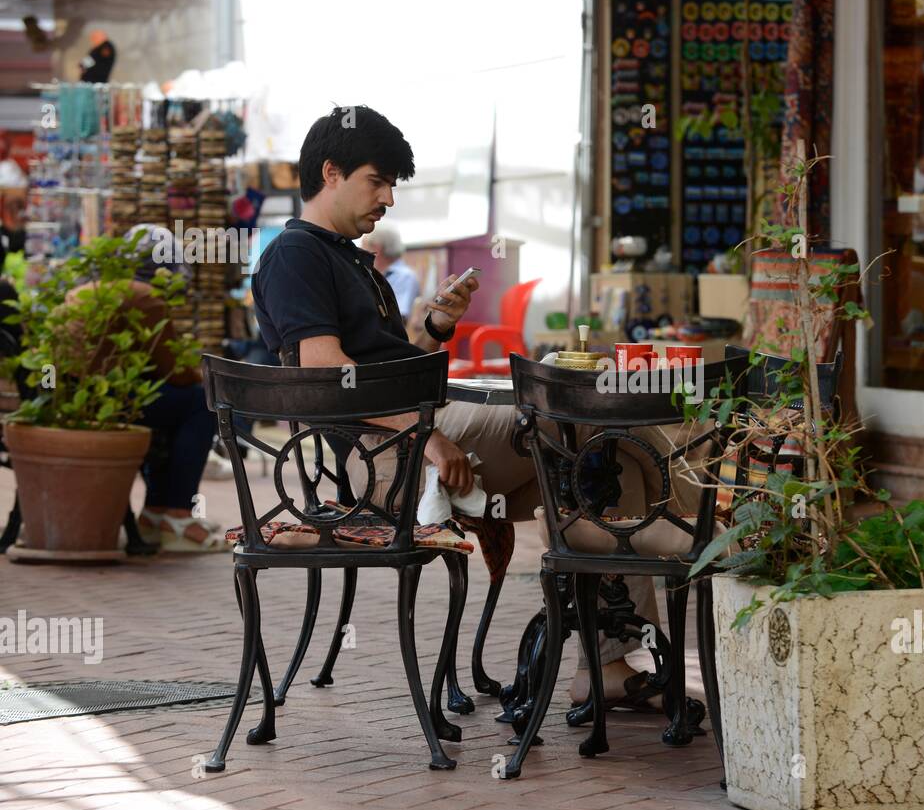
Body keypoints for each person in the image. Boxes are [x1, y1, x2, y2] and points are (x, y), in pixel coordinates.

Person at [251, 106, 665, 708]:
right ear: (331, 171)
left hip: (413, 435)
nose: (389, 198)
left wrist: (435, 324)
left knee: (604, 463)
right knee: (585, 433)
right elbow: (325, 376)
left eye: (393, 184)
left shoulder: (345, 256)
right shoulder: (296, 255)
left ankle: (605, 662)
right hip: (387, 459)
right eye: (378, 180)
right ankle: (616, 646)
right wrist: (428, 435)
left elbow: (387, 370)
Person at [76, 224, 228, 551]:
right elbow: (172, 370)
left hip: (82, 401)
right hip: (113, 403)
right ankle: (176, 516)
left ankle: (156, 514)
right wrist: (206, 380)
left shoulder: (89, 287)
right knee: (203, 403)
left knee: (171, 406)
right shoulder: (143, 296)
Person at [360, 223, 419, 319]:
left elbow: (401, 315)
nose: (360, 251)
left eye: (363, 246)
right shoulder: (374, 274)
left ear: (376, 248)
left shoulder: (405, 276)